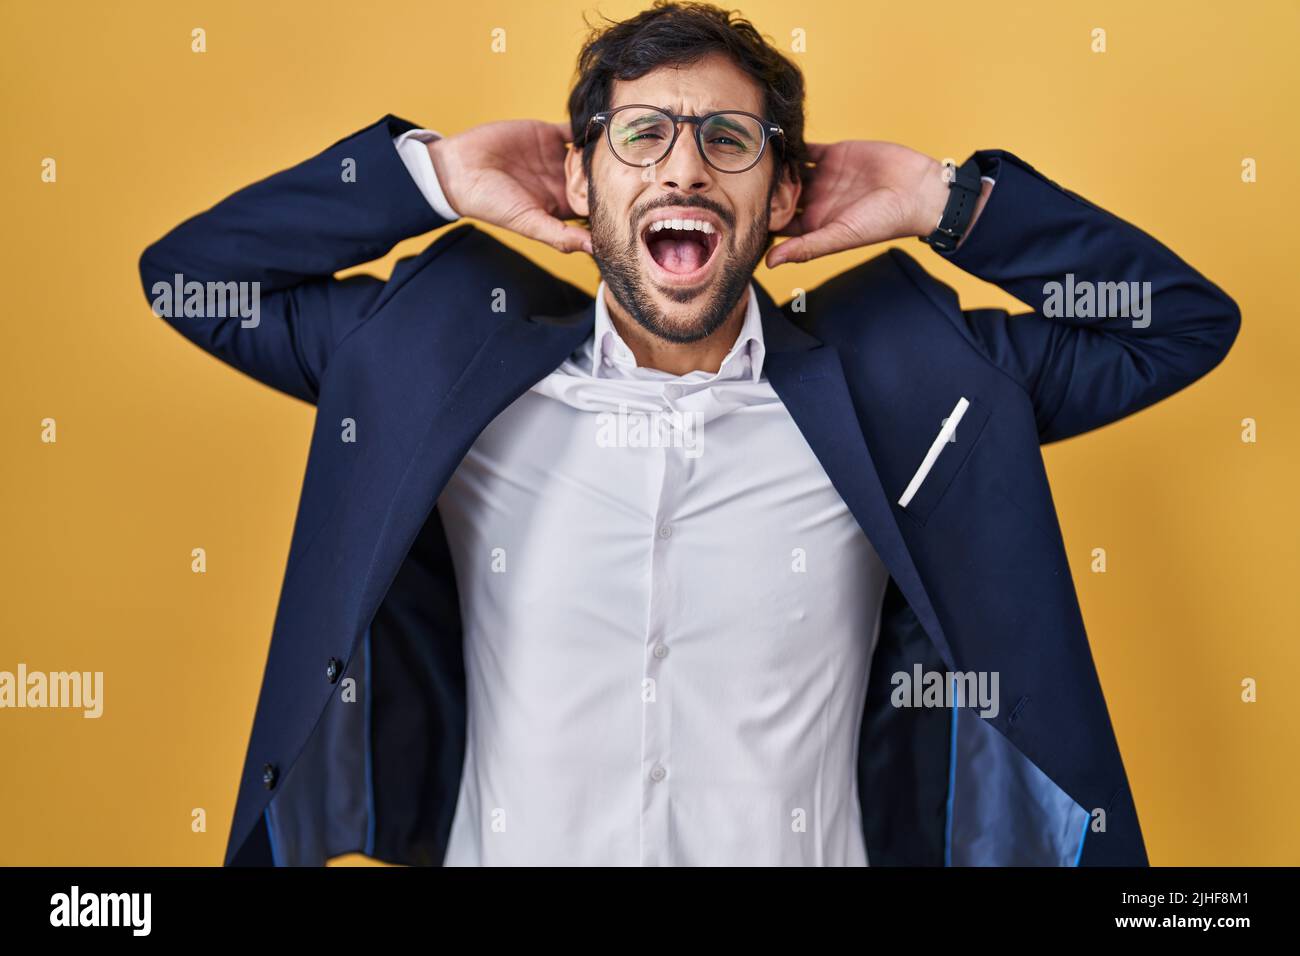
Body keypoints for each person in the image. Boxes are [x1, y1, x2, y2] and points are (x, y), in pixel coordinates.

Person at [138, 1, 1239, 866]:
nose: (681, 168)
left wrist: (939, 197)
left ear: (783, 193)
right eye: (640, 135)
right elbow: (190, 281)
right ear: (578, 177)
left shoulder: (906, 381)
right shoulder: (438, 357)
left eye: (727, 140)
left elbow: (1176, 324)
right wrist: (430, 175)